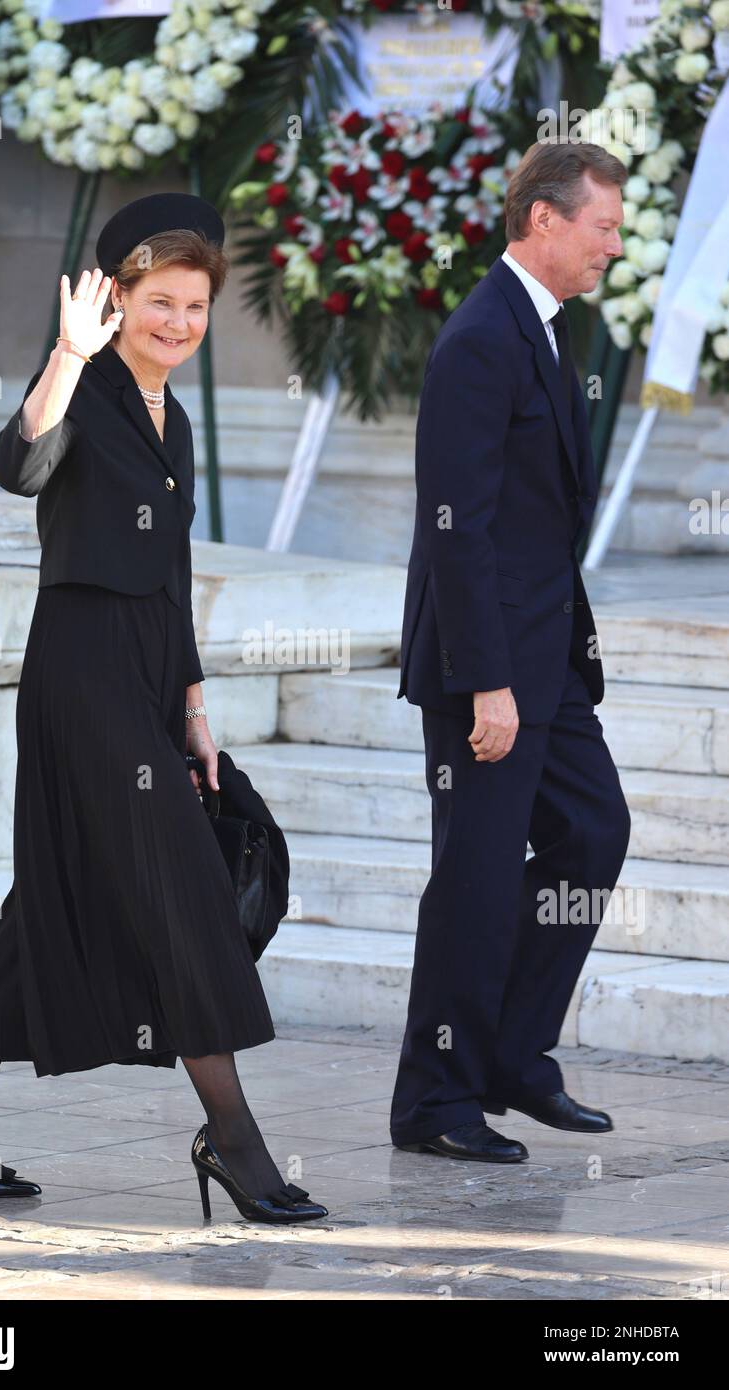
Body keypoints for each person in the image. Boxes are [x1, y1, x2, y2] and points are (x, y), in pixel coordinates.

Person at [0, 193, 327, 1225]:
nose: (178, 323)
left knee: (52, 895)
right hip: (82, 674)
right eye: (158, 302)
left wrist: (190, 703)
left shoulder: (168, 413)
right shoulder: (86, 387)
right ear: (115, 298)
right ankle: (233, 1141)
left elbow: (172, 572)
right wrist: (62, 356)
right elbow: (17, 465)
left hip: (144, 675)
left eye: (194, 305)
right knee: (182, 889)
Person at [391, 140, 633, 1163]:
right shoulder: (481, 338)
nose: (612, 248)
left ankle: (513, 1057)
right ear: (542, 219)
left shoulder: (543, 328)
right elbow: (456, 527)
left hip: (545, 659)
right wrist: (484, 679)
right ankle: (436, 1100)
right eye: (602, 227)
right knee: (477, 880)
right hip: (482, 666)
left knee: (590, 831)